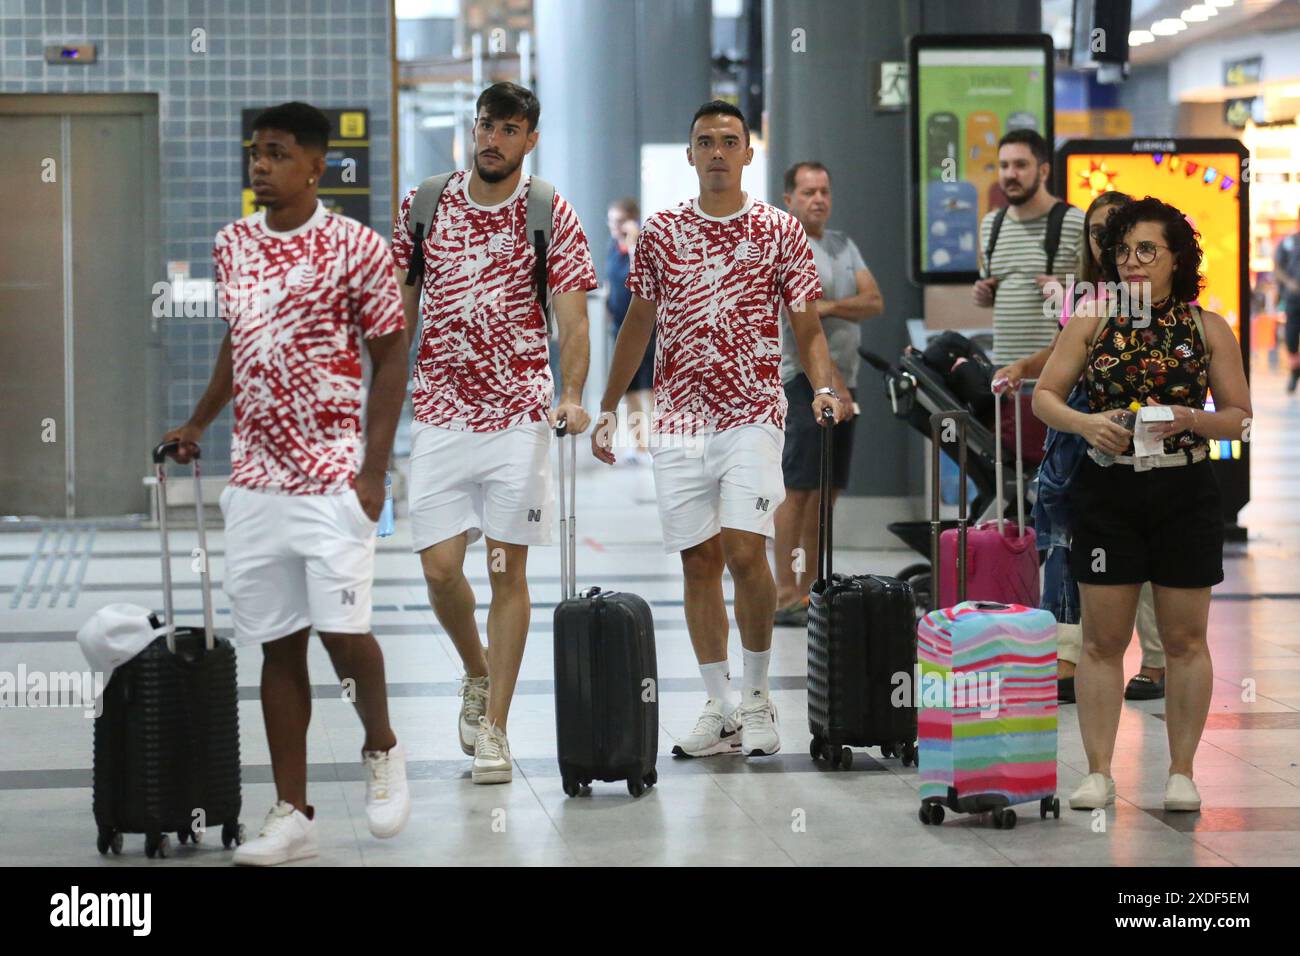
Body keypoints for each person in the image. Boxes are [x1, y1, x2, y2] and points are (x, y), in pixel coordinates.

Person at [162, 102, 411, 865]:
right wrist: (200, 422)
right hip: (256, 481)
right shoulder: (233, 244)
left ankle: (382, 746)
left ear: (314, 165)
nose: (258, 167)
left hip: (334, 476)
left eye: (274, 154)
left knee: (344, 635)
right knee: (277, 646)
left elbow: (392, 357)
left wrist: (373, 471)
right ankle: (293, 812)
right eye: (254, 154)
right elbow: (240, 345)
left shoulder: (356, 249)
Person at [592, 100, 841, 758]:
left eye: (731, 141)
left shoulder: (780, 231)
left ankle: (759, 699)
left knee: (742, 554)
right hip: (677, 421)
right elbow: (638, 324)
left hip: (753, 414)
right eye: (706, 141)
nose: (719, 152)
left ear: (748, 153)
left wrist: (822, 386)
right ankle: (719, 703)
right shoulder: (663, 232)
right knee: (698, 562)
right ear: (692, 154)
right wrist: (610, 404)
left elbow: (807, 327)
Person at [391, 82, 596, 785]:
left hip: (517, 418)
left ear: (530, 139)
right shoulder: (424, 205)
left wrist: (571, 395)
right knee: (439, 568)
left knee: (506, 568)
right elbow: (400, 314)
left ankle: (497, 730)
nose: (493, 140)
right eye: (485, 126)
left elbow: (572, 320)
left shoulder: (549, 212)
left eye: (509, 129)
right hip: (441, 414)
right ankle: (476, 673)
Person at [1034, 196, 1252, 813]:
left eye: (1147, 250)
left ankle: (1182, 772)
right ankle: (1098, 772)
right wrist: (1085, 422)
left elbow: (1239, 419)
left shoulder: (1207, 328)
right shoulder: (1093, 319)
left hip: (1185, 489)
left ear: (1176, 258)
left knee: (1186, 640)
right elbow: (1045, 397)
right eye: (1124, 250)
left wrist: (1192, 417)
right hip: (1109, 488)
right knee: (1103, 640)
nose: (1133, 262)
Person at [998, 191, 1169, 703]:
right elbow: (1063, 351)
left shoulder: (1147, 297)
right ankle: (1067, 657)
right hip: (1074, 433)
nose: (1105, 242)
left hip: (1136, 437)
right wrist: (1025, 368)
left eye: (1114, 232)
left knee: (1142, 549)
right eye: (1096, 232)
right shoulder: (1083, 294)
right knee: (1063, 542)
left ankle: (1155, 660)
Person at [771, 161, 883, 626]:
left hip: (844, 380)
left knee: (829, 489)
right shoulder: (785, 246)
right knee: (799, 489)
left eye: (824, 191)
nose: (818, 199)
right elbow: (802, 324)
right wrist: (828, 379)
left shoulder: (842, 244)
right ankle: (785, 592)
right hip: (803, 380)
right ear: (789, 199)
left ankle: (812, 586)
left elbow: (873, 302)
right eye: (808, 192)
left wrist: (831, 306)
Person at [971, 129, 1086, 367]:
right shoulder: (991, 224)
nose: (1010, 174)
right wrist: (983, 294)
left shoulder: (1074, 222)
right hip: (1005, 370)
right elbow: (996, 290)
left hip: (1057, 374)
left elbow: (1104, 301)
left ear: (1043, 171)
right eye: (1003, 166)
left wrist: (1064, 298)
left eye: (1020, 165)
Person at [605, 197, 654, 462]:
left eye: (620, 221)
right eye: (611, 221)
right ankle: (639, 446)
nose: (615, 226)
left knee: (649, 389)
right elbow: (610, 281)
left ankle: (656, 444)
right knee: (630, 389)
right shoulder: (613, 248)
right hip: (618, 327)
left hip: (646, 330)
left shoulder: (642, 248)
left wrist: (635, 243)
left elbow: (643, 278)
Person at [1272, 209, 1300, 394]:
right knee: (1291, 339)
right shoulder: (1289, 242)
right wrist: (1289, 283)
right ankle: (1294, 371)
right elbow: (1277, 268)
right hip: (1293, 299)